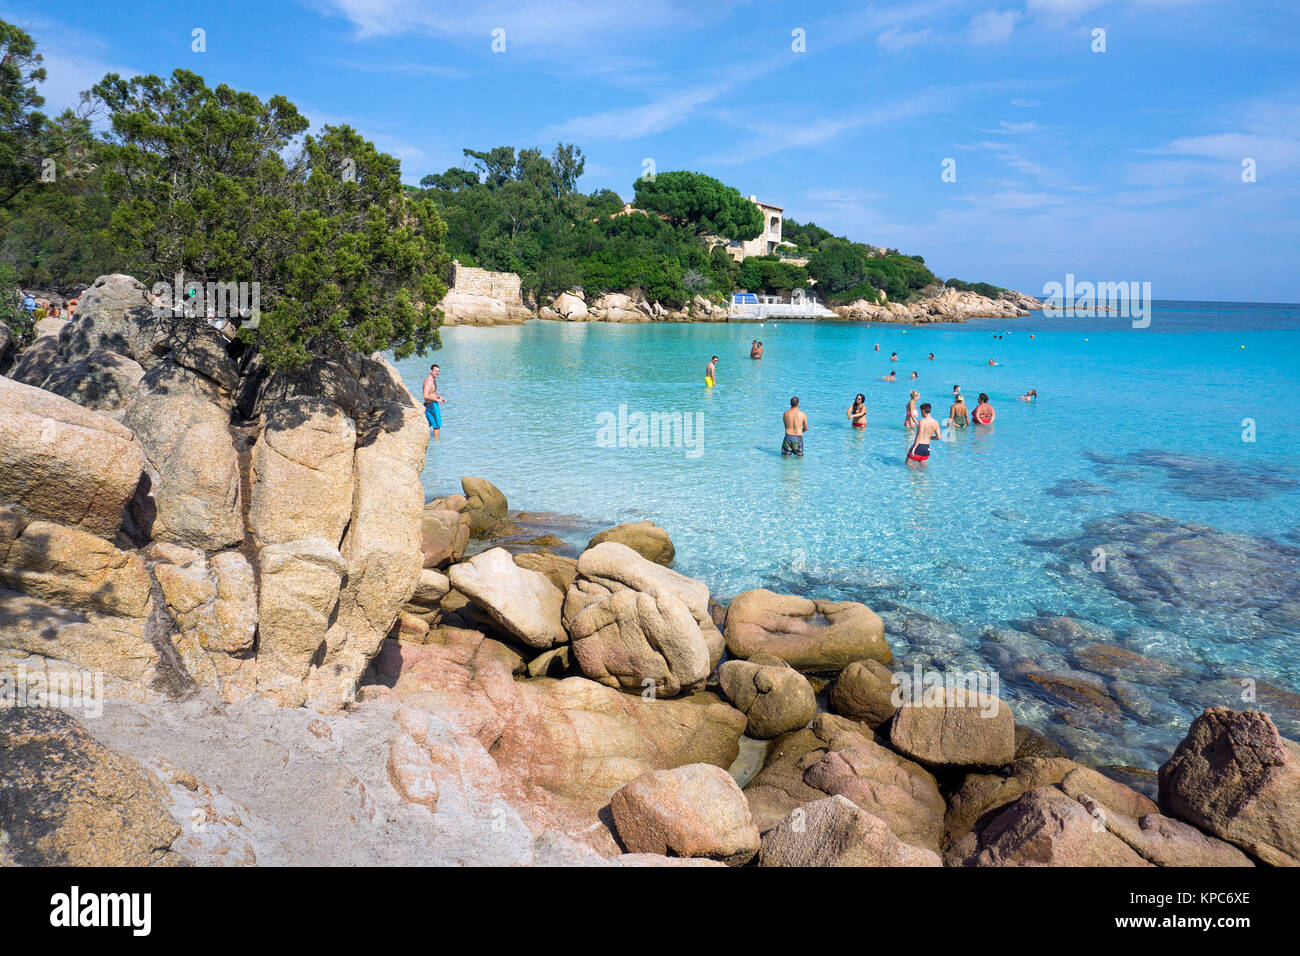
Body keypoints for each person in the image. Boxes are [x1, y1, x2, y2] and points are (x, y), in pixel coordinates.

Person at [422, 364, 445, 437]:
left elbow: (432, 393)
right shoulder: (429, 381)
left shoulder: (433, 380)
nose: (437, 373)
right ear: (431, 371)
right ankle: (437, 443)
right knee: (437, 426)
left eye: (438, 371)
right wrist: (437, 400)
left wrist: (439, 397)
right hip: (431, 405)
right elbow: (425, 396)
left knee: (428, 425)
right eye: (435, 371)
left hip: (430, 404)